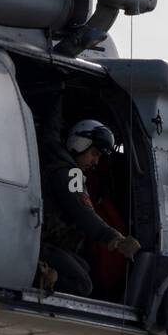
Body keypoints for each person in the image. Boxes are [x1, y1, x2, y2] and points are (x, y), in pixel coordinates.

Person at [37, 85, 140, 295]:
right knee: (82, 284)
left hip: (42, 240)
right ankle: (40, 277)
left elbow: (51, 129)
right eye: (94, 153)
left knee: (83, 268)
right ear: (79, 143)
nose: (95, 162)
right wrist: (114, 239)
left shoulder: (53, 156)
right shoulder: (70, 172)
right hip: (42, 243)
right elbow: (83, 212)